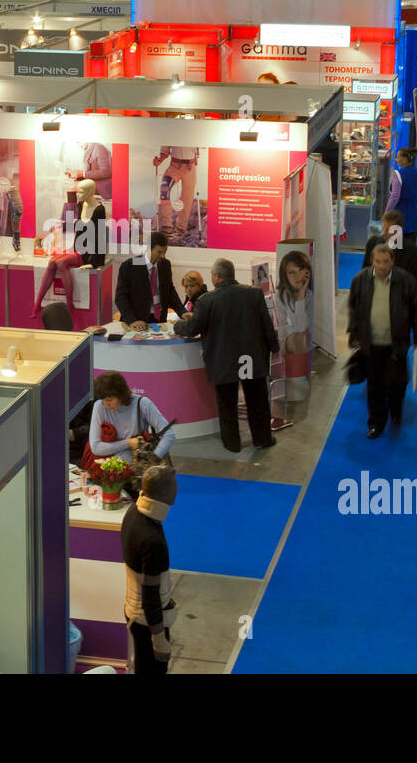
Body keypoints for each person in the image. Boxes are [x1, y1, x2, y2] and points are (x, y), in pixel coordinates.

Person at [173, 258, 279, 453]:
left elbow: (192, 328)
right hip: (250, 357)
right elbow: (266, 325)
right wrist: (274, 347)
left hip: (223, 360)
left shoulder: (207, 300)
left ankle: (232, 444)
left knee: (227, 403)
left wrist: (176, 325)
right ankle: (262, 438)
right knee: (257, 399)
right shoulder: (254, 294)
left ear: (216, 276)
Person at [347, 245, 417, 438]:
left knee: (397, 383)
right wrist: (354, 335)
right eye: (377, 261)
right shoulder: (360, 280)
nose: (381, 266)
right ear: (372, 261)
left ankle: (396, 413)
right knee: (374, 385)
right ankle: (376, 423)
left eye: (385, 261)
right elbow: (354, 309)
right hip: (370, 344)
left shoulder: (406, 281)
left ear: (393, 261)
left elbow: (416, 311)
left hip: (396, 345)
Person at [120, 463, 178, 674]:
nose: (177, 489)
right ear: (164, 493)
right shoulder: (153, 542)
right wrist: (159, 636)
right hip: (147, 619)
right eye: (174, 485)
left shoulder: (134, 513)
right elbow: (150, 594)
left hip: (134, 611)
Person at [32, 178, 106, 317]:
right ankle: (37, 303)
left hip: (88, 252)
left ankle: (70, 303)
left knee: (61, 262)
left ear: (90, 192)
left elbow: (100, 237)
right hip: (77, 247)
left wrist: (95, 263)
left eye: (81, 191)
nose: (78, 194)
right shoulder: (81, 205)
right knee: (52, 261)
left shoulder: (99, 210)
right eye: (78, 191)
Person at [89, 370, 176, 472]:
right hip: (113, 470)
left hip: (140, 470)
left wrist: (153, 459)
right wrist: (128, 443)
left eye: (109, 400)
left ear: (121, 394)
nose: (106, 404)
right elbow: (95, 447)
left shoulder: (142, 404)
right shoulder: (99, 406)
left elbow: (169, 434)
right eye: (103, 399)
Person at [115, 231, 184, 329]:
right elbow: (120, 297)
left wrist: (182, 311)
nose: (162, 256)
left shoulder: (165, 265)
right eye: (159, 252)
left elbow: (170, 291)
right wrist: (132, 320)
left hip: (159, 320)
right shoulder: (129, 266)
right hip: (137, 321)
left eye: (165, 252)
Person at [361, 209, 417, 285]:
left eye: (389, 230)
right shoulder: (372, 244)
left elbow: (416, 280)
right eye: (384, 229)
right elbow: (364, 271)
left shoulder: (411, 250)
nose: (385, 233)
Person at [385, 147, 417, 244]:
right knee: (410, 246)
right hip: (416, 214)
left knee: (396, 246)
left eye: (398, 157)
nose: (396, 159)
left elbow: (395, 197)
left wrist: (387, 212)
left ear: (405, 159)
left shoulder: (398, 175)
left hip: (399, 215)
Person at [153, 146, 199, 239]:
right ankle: (166, 226)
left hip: (190, 167)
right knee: (164, 188)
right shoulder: (171, 132)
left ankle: (181, 228)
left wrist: (196, 157)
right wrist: (159, 160)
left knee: (187, 197)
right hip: (175, 166)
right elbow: (165, 151)